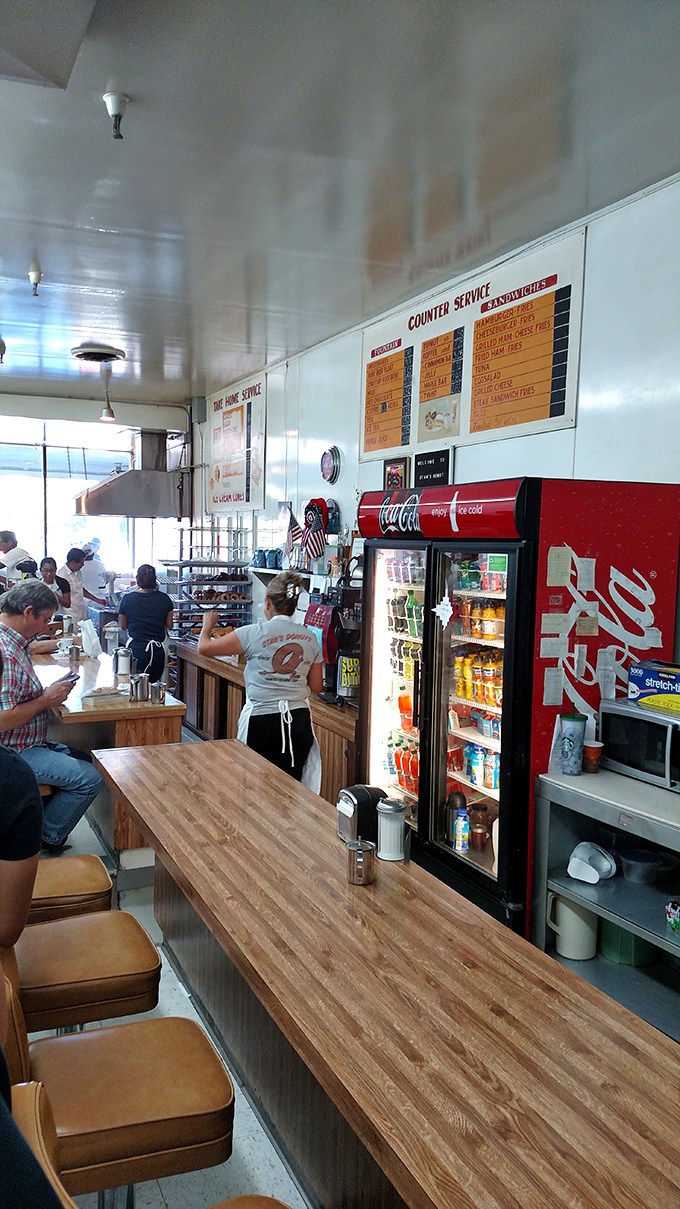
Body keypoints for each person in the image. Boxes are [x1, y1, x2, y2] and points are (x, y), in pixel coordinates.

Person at [0, 580, 103, 851]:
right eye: (44, 620)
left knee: (84, 757)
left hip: (25, 743)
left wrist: (45, 693)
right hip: (14, 751)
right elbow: (3, 718)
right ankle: (46, 836)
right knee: (91, 777)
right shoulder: (6, 654)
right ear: (27, 612)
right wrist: (46, 700)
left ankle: (36, 819)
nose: (45, 627)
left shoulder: (14, 641)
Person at [197, 570, 323, 788]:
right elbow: (316, 686)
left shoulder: (252, 633)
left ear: (267, 602)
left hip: (262, 721)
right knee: (294, 789)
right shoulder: (310, 638)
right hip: (299, 722)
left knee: (256, 789)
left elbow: (204, 648)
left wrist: (207, 625)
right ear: (293, 605)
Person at [118, 564, 173, 682]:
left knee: (136, 686)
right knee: (155, 687)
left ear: (137, 579)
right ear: (155, 579)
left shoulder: (127, 599)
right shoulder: (165, 599)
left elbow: (123, 626)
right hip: (158, 651)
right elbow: (170, 625)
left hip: (135, 650)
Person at [57, 547, 107, 624]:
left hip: (81, 611)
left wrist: (97, 600)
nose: (83, 565)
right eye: (81, 563)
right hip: (70, 613)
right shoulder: (62, 575)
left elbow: (80, 589)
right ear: (73, 562)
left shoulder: (78, 572)